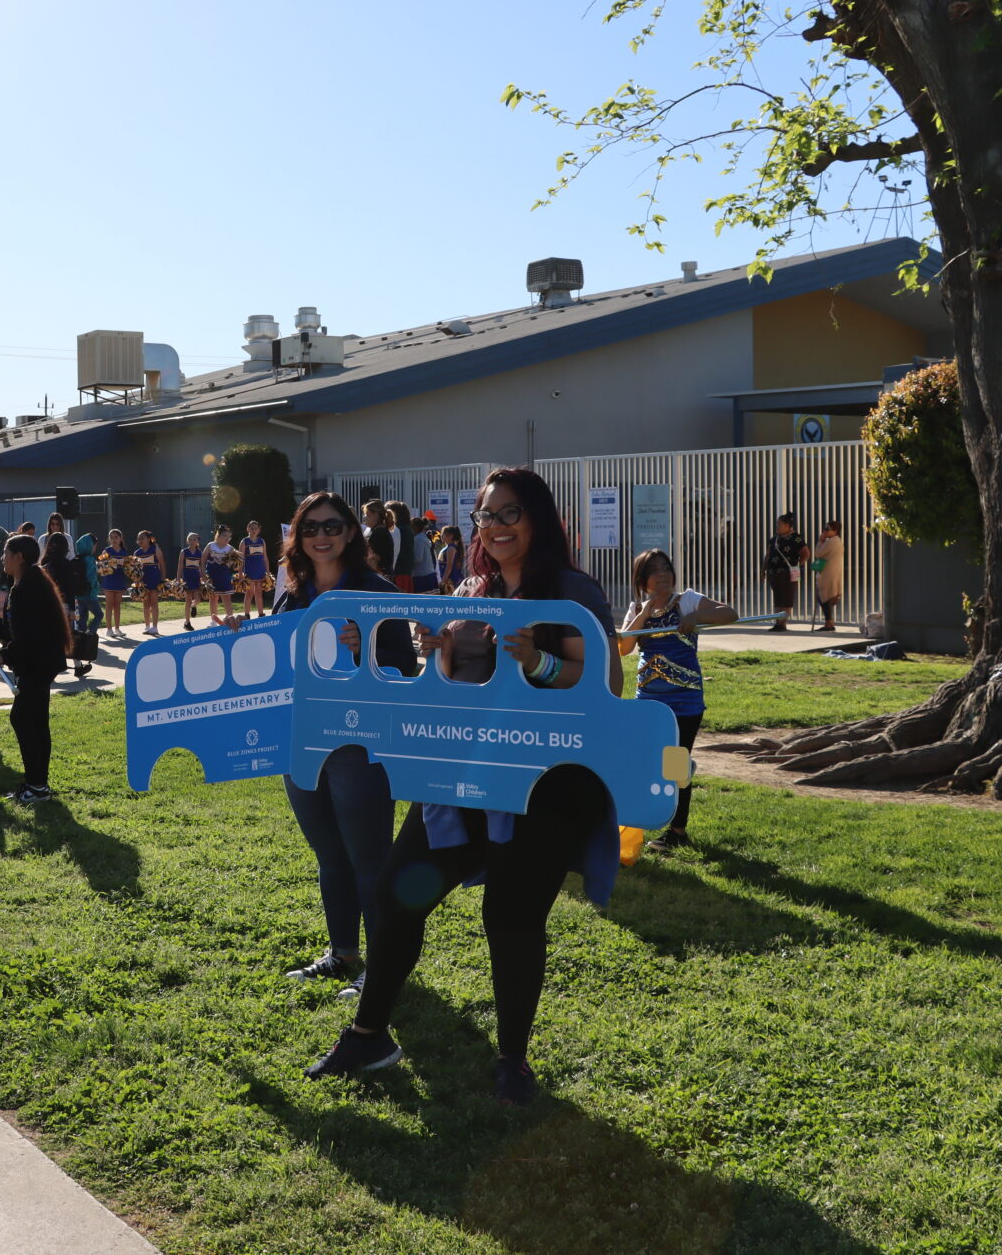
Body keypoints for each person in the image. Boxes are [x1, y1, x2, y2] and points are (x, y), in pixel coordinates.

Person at [307, 467, 623, 1105]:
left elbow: (605, 684)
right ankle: (368, 1035)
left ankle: (513, 1062)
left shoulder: (568, 590)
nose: (497, 527)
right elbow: (455, 681)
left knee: (509, 916)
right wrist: (435, 651)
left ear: (537, 517)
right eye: (486, 516)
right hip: (461, 777)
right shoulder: (471, 587)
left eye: (510, 514)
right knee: (399, 895)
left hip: (542, 785)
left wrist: (539, 661)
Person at [258, 492, 409, 1000]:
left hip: (359, 747)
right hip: (301, 743)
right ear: (297, 538)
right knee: (329, 855)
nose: (320, 536)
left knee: (370, 859)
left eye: (331, 526)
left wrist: (362, 647)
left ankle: (382, 967)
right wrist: (242, 638)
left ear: (350, 532)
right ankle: (343, 953)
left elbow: (405, 667)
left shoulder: (375, 591)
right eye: (309, 528)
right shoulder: (291, 594)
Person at [617, 548, 737, 853]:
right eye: (655, 570)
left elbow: (729, 613)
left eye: (666, 568)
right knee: (646, 761)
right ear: (643, 580)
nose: (663, 574)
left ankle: (677, 831)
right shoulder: (637, 609)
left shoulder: (687, 601)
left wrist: (697, 616)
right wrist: (644, 613)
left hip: (685, 701)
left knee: (676, 765)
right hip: (648, 703)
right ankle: (642, 821)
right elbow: (624, 648)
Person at [0, 533, 71, 804]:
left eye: (6, 553)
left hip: (37, 664)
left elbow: (29, 637)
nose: (2, 558)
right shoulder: (27, 583)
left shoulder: (26, 589)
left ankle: (36, 785)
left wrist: (4, 656)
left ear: (19, 557)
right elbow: (15, 628)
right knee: (34, 721)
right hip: (38, 662)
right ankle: (38, 784)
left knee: (25, 720)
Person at [42, 531, 90, 677]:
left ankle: (47, 666)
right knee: (69, 637)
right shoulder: (66, 564)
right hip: (63, 604)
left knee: (49, 637)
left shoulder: (44, 564)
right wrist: (72, 609)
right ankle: (77, 666)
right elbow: (69, 589)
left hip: (47, 605)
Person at [764, 512, 809, 632]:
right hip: (774, 572)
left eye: (780, 524)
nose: (777, 526)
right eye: (777, 524)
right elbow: (768, 555)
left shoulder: (796, 538)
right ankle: (777, 622)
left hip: (788, 573)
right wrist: (764, 570)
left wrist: (797, 566)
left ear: (788, 525)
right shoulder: (774, 538)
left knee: (786, 599)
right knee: (778, 598)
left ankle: (782, 624)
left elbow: (805, 554)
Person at [74, 531, 105, 655]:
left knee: (82, 618)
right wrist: (96, 586)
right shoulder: (90, 560)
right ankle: (90, 633)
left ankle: (80, 639)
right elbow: (92, 578)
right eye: (94, 545)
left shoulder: (77, 558)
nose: (94, 548)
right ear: (90, 545)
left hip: (79, 594)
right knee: (99, 614)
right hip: (90, 595)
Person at [812, 519, 845, 631]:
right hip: (831, 572)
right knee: (826, 596)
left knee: (824, 597)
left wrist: (820, 541)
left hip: (828, 573)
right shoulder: (836, 540)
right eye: (824, 529)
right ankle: (829, 622)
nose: (824, 532)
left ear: (835, 531)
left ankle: (829, 623)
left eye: (827, 529)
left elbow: (818, 553)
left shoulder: (831, 541)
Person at [98, 528, 132, 635]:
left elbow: (128, 567)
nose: (114, 539)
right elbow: (101, 566)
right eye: (111, 537)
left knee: (117, 605)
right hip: (109, 581)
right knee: (109, 605)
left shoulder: (124, 552)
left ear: (120, 539)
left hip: (119, 581)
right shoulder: (106, 551)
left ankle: (117, 629)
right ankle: (109, 629)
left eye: (116, 537)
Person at [202, 525, 237, 624]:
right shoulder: (210, 545)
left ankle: (230, 618)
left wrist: (233, 562)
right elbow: (203, 561)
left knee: (226, 598)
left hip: (224, 576)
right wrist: (203, 575)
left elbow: (237, 563)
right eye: (225, 536)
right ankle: (213, 621)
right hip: (212, 576)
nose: (227, 538)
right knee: (213, 598)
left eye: (229, 537)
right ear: (218, 535)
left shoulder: (230, 548)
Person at [133, 530, 164, 635]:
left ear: (148, 539)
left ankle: (155, 627)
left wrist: (163, 579)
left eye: (143, 538)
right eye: (139, 538)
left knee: (154, 603)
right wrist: (136, 581)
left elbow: (162, 563)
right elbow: (134, 570)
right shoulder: (137, 553)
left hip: (154, 578)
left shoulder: (155, 548)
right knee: (145, 603)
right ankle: (147, 626)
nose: (140, 540)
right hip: (143, 581)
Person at [239, 520, 271, 617]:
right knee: (249, 593)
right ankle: (247, 614)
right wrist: (240, 573)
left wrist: (268, 572)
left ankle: (261, 613)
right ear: (247, 529)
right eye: (251, 528)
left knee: (259, 592)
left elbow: (265, 557)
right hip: (249, 571)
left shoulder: (262, 541)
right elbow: (240, 559)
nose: (253, 530)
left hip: (260, 570)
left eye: (255, 528)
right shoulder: (244, 541)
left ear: (259, 530)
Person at [385, 500, 417, 592]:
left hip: (400, 573)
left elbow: (402, 552)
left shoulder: (402, 529)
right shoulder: (402, 528)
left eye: (387, 511)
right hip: (401, 572)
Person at [176, 532, 206, 630]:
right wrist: (178, 579)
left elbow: (201, 567)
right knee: (188, 600)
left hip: (196, 579)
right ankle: (187, 622)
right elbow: (180, 566)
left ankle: (194, 606)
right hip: (187, 580)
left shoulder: (199, 553)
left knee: (197, 599)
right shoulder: (184, 552)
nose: (192, 541)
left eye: (194, 539)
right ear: (187, 541)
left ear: (197, 541)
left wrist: (205, 580)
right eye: (190, 539)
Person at [363, 499, 394, 576]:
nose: (365, 517)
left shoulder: (379, 532)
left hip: (380, 575)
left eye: (367, 514)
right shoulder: (379, 530)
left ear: (376, 515)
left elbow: (374, 557)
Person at [435, 525, 465, 590]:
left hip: (452, 582)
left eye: (443, 534)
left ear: (451, 536)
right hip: (449, 581)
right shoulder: (448, 547)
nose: (441, 536)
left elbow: (449, 566)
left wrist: (443, 581)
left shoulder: (451, 548)